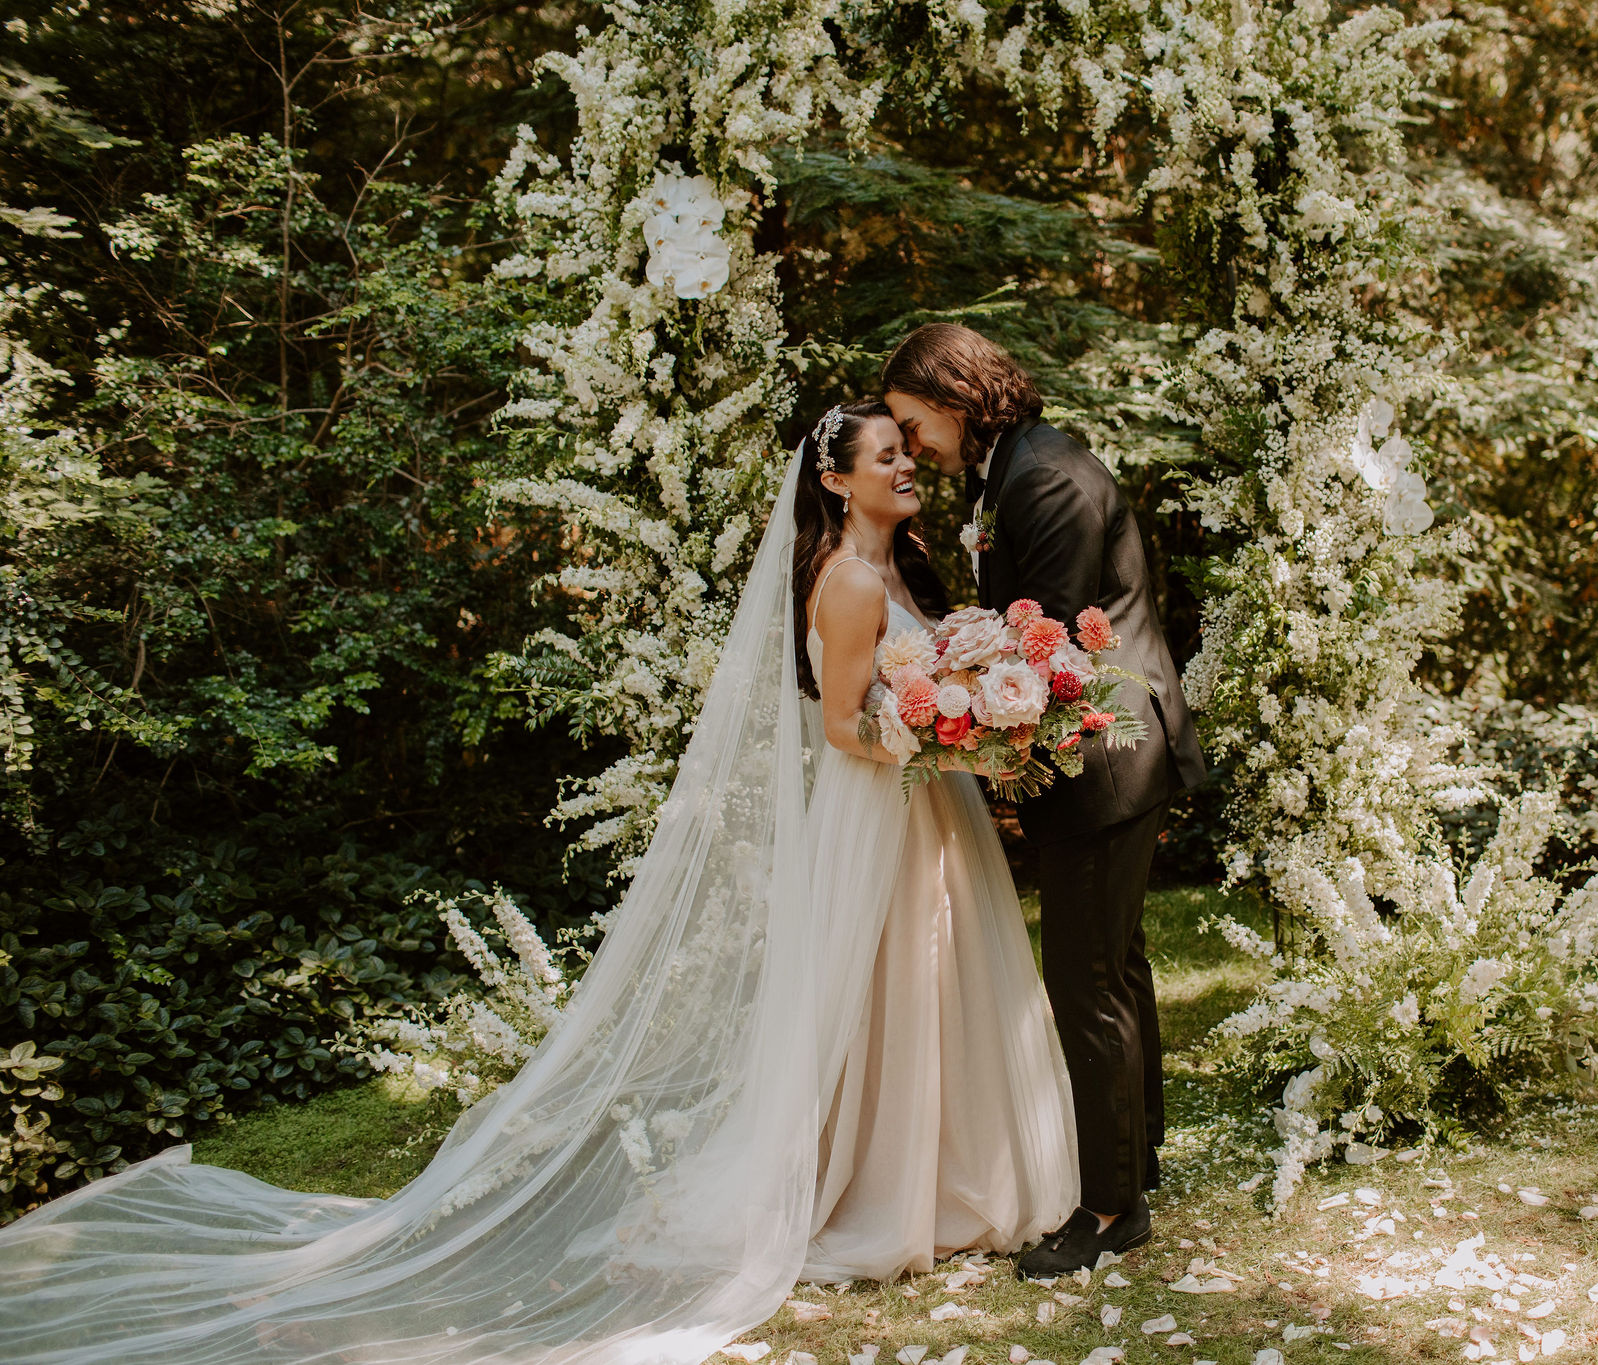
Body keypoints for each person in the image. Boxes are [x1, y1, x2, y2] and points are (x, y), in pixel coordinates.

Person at [0, 401, 1078, 1363]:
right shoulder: (844, 581)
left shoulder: (907, 569)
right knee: (877, 993)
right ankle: (877, 1190)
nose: (905, 467)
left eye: (905, 453)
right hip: (876, 809)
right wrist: (950, 747)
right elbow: (844, 729)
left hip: (924, 806)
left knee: (935, 986)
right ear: (835, 480)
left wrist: (975, 718)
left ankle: (943, 1178)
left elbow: (911, 691)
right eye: (886, 456)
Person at [881, 324, 1207, 1277]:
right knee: (1117, 962)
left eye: (912, 421)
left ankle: (1109, 1208)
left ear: (952, 395)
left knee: (1085, 978)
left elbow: (1051, 645)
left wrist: (984, 728)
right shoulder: (1013, 467)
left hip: (1107, 757)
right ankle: (1134, 1154)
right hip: (1106, 755)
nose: (912, 446)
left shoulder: (1044, 474)